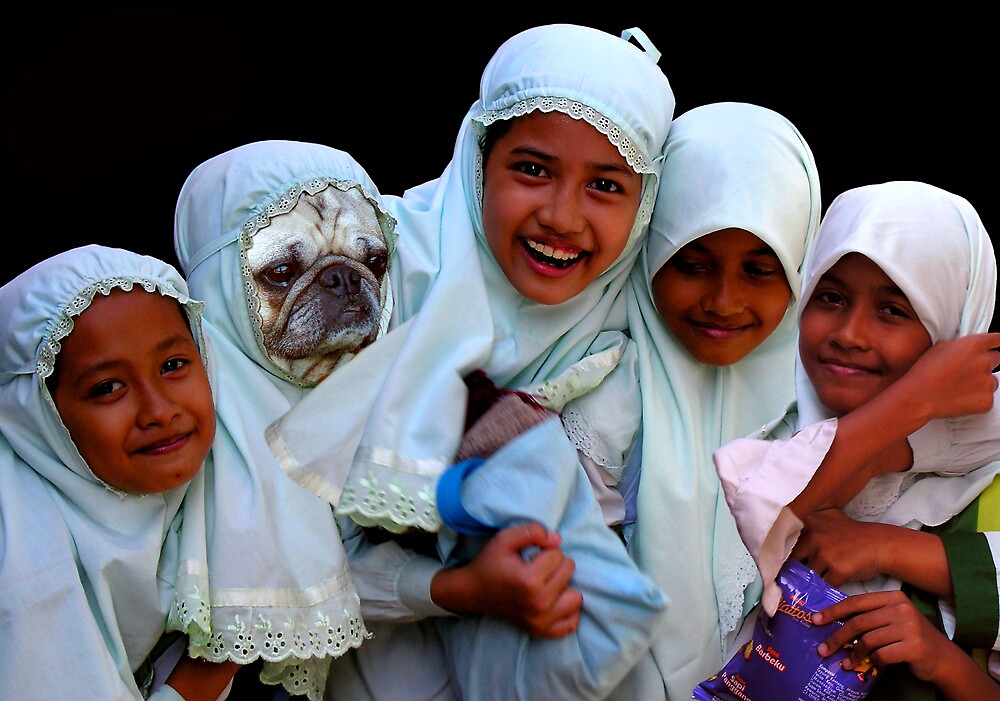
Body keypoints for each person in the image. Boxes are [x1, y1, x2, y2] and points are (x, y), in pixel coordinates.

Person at [264, 22, 676, 701]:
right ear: (478, 158)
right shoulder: (376, 279)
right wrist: (454, 588)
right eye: (533, 169)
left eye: (605, 185)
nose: (563, 217)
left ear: (645, 204)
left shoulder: (627, 326)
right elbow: (271, 547)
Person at [713, 181, 1000, 699]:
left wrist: (888, 549)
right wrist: (908, 408)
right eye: (830, 297)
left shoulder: (986, 473)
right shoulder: (757, 425)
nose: (849, 332)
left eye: (893, 309)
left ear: (954, 332)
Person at [607, 100, 822, 700]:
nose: (724, 302)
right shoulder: (605, 383)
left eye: (761, 270)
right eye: (693, 263)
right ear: (647, 248)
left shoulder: (822, 403)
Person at [172, 141, 398, 701]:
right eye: (281, 271)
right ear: (219, 280)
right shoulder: (169, 433)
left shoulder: (396, 389)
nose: (346, 286)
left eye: (369, 262)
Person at [0, 244, 234, 700]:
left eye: (172, 365)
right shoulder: (26, 561)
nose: (158, 410)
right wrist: (209, 671)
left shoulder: (225, 468)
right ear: (41, 417)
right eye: (108, 387)